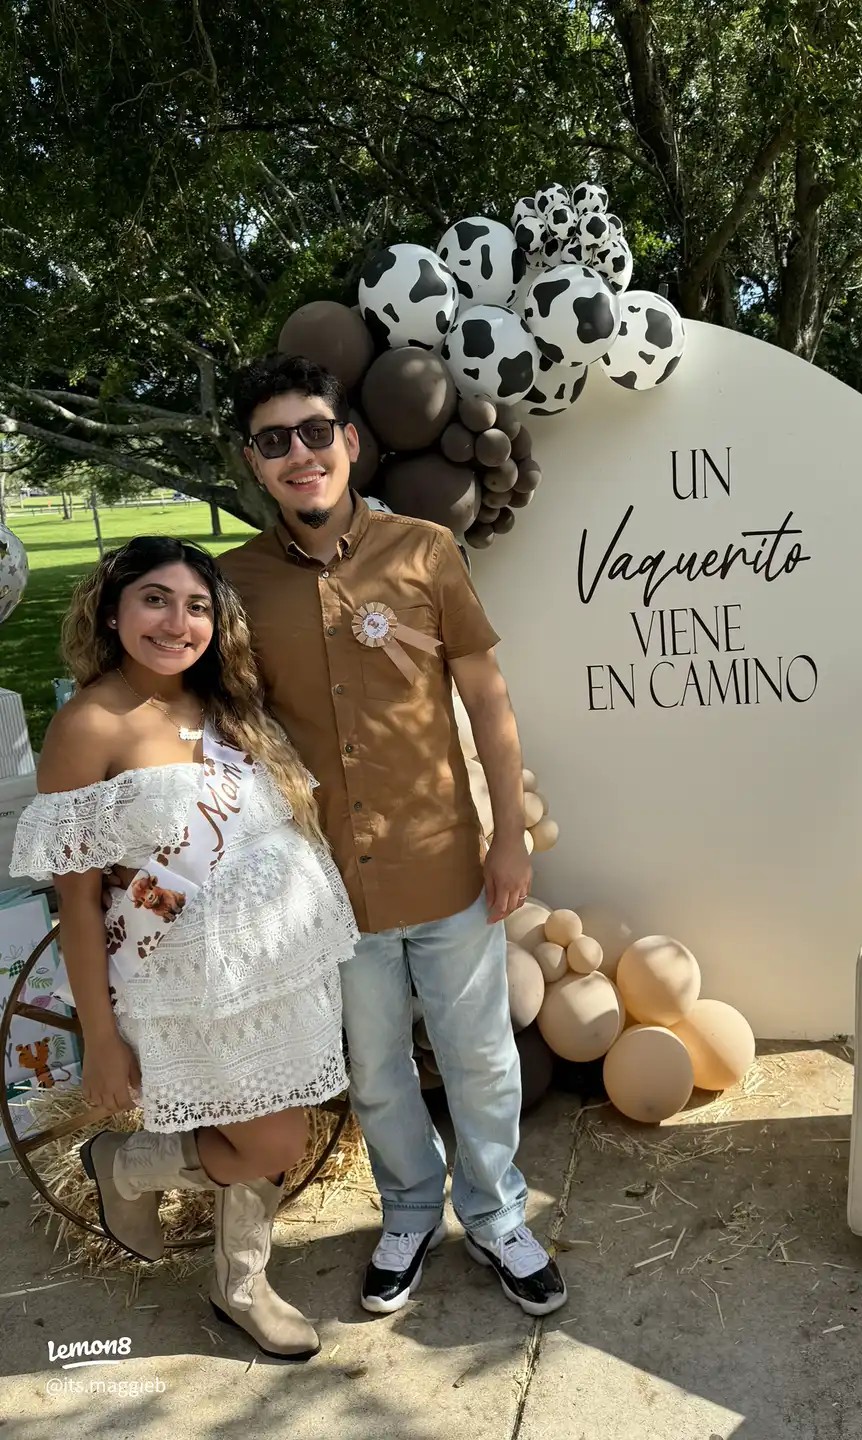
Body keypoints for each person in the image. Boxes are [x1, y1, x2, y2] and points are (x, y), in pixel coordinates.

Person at [220, 353, 566, 1318]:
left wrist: (508, 838)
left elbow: (487, 700)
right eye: (275, 440)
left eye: (315, 432)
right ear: (255, 463)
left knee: (481, 1057)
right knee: (374, 1070)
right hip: (328, 885)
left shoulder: (425, 551)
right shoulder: (235, 586)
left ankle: (497, 1214)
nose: (301, 454)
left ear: (351, 442)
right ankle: (410, 1208)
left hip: (446, 862)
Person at [10, 537, 359, 1361]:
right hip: (185, 984)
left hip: (277, 967)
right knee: (269, 1144)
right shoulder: (88, 724)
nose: (178, 621)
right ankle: (125, 1167)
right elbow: (81, 901)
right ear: (112, 610)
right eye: (155, 600)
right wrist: (100, 1037)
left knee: (285, 1127)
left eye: (197, 605)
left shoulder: (230, 704)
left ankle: (240, 1282)